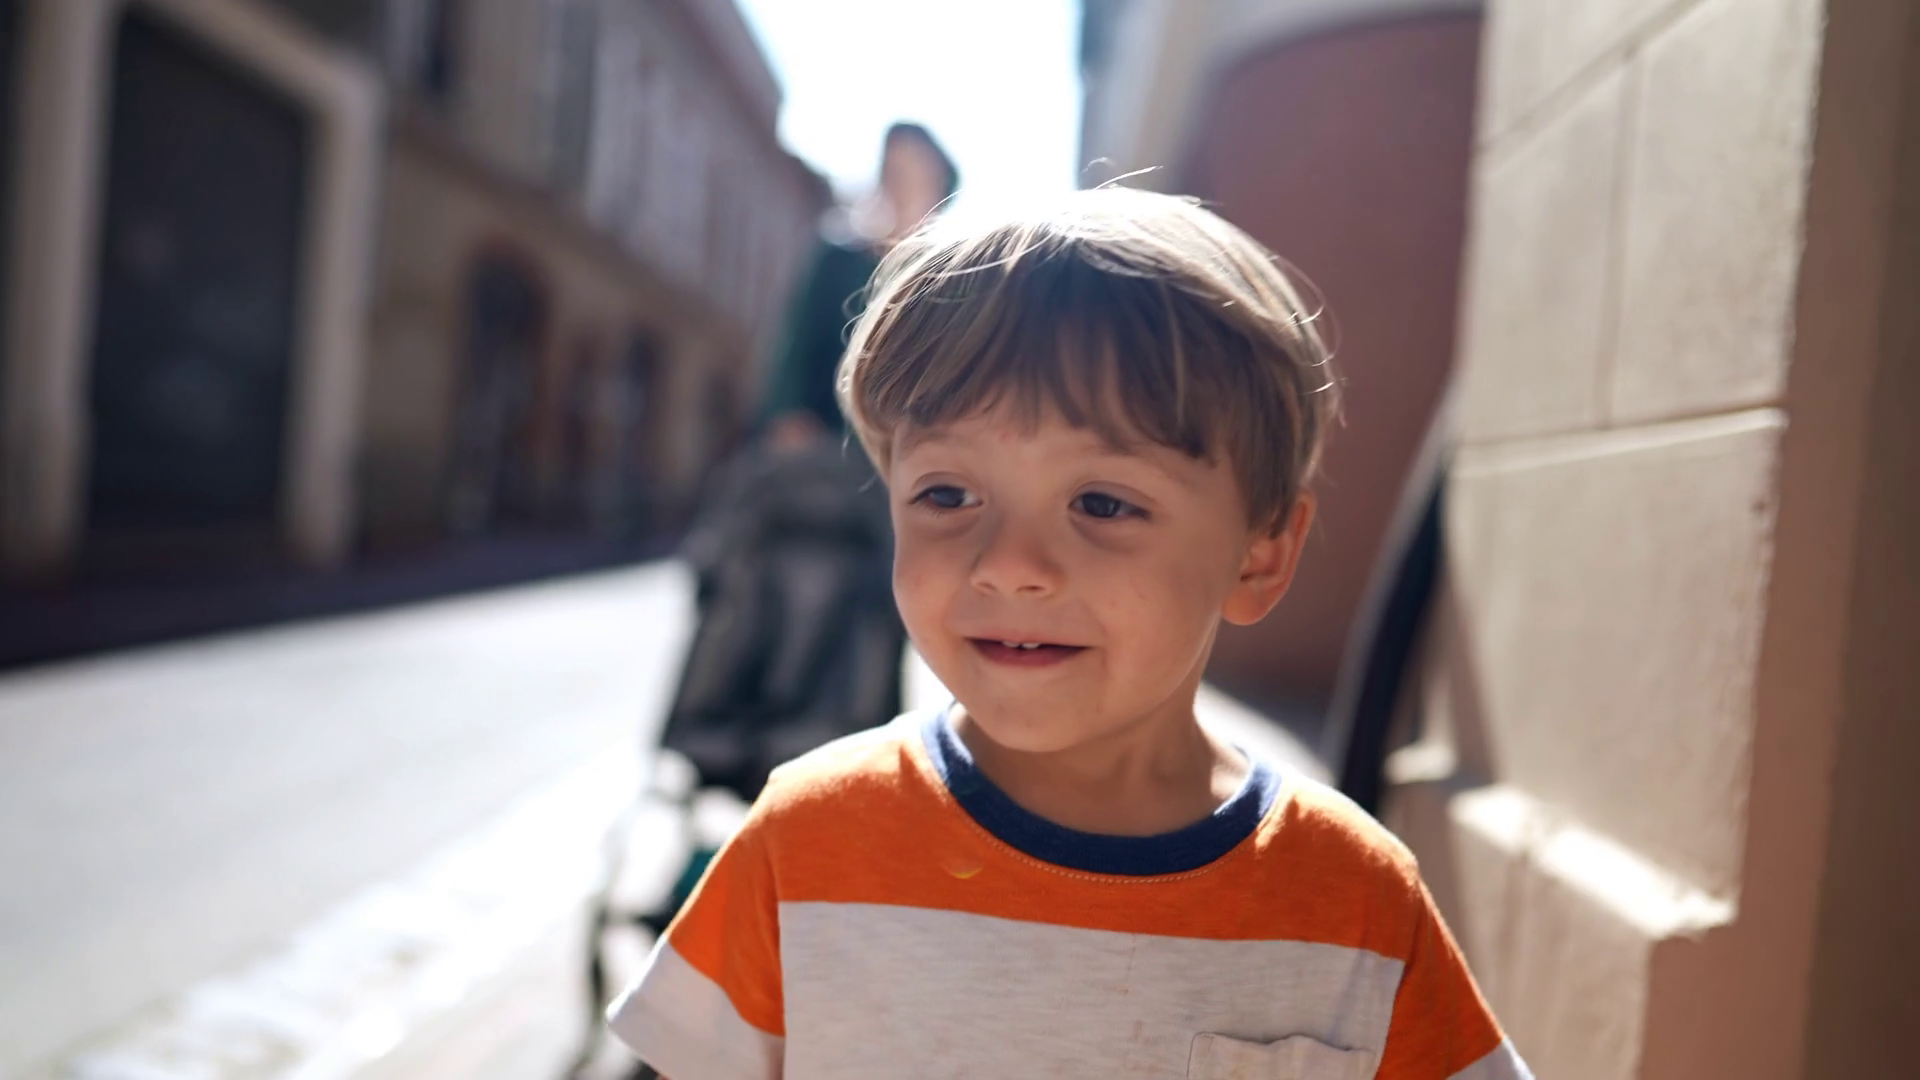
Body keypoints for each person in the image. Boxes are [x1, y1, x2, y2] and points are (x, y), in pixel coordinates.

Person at [606, 187, 1533, 1079]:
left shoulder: (1351, 899)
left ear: (1259, 556)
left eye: (1101, 502)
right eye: (946, 495)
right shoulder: (804, 843)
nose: (1008, 563)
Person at [757, 122, 958, 451]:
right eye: (892, 171)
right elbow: (795, 353)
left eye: (913, 171)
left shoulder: (951, 281)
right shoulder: (840, 263)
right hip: (828, 446)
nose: (901, 185)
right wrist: (788, 419)